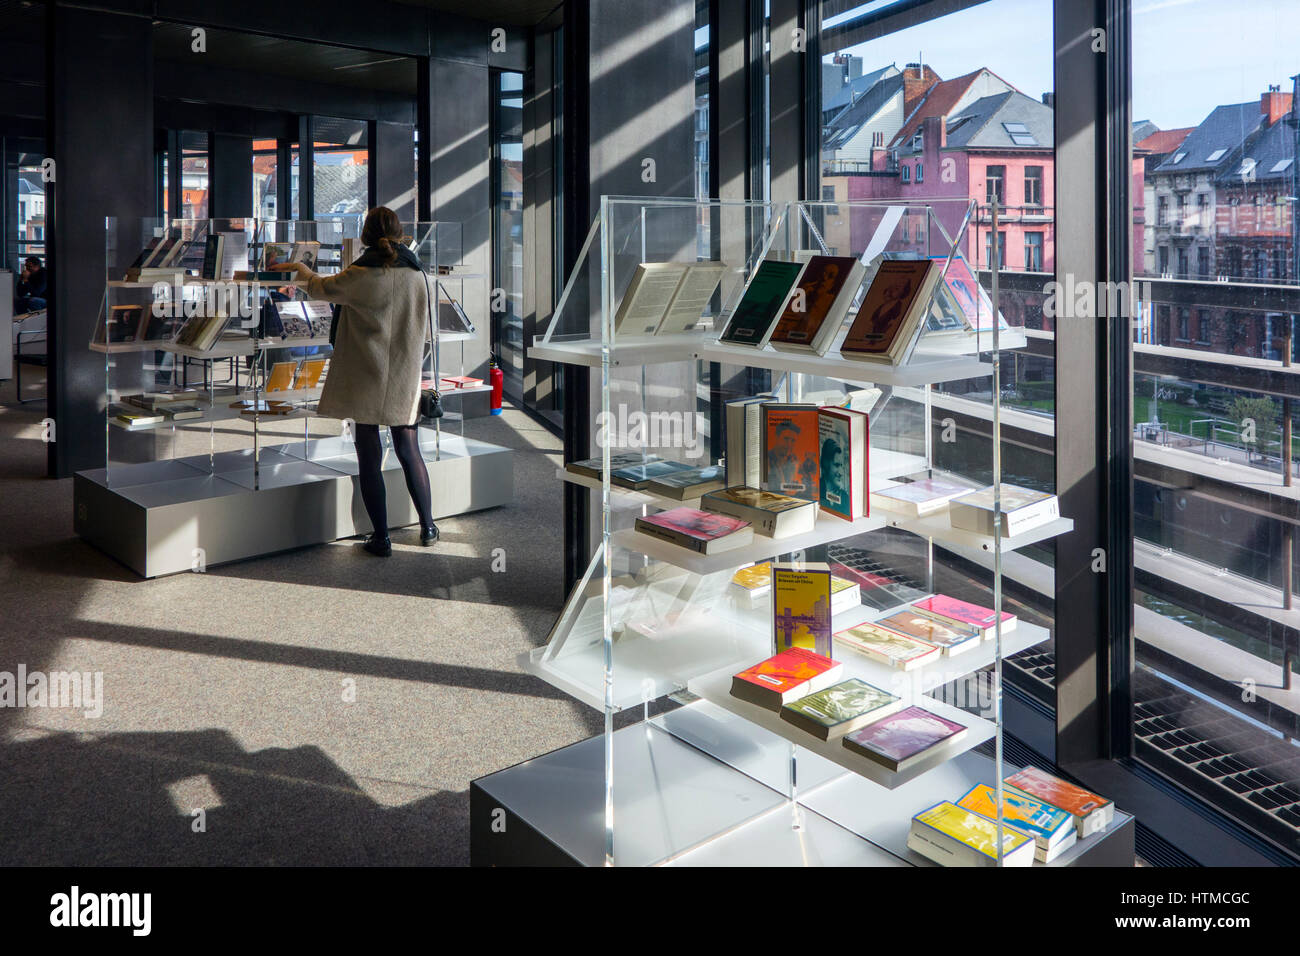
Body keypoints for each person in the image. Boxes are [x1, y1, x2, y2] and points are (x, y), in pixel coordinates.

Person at [285, 207, 437, 556]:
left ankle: (381, 538)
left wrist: (300, 268)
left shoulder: (361, 274)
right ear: (401, 234)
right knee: (409, 450)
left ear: (366, 236)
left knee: (369, 456)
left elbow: (319, 288)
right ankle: (428, 526)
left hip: (366, 376)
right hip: (404, 376)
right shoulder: (417, 274)